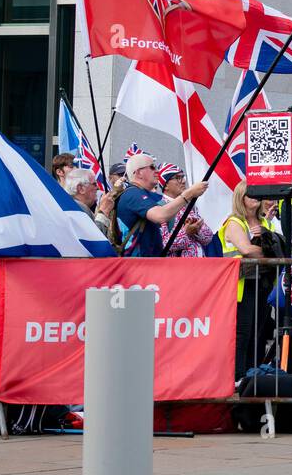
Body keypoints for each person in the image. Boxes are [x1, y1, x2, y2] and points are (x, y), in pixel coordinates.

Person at [220, 181, 279, 378]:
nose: (255, 196)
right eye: (250, 193)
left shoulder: (265, 223)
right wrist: (269, 251)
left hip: (262, 285)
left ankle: (253, 377)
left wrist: (267, 249)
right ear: (240, 197)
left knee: (258, 335)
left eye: (257, 193)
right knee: (242, 335)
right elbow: (247, 250)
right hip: (240, 287)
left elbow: (279, 247)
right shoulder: (234, 222)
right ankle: (237, 379)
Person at [115, 152, 208, 257]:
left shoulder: (147, 195)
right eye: (152, 167)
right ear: (138, 173)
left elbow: (208, 237)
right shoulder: (132, 194)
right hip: (139, 264)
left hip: (150, 264)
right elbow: (161, 216)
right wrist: (189, 193)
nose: (157, 171)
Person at [155, 164, 214, 256]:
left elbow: (208, 238)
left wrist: (197, 229)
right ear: (166, 185)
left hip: (199, 268)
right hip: (178, 269)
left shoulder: (189, 206)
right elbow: (161, 246)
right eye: (178, 178)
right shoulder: (160, 209)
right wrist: (186, 232)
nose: (183, 181)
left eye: (183, 177)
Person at [65, 167, 115, 237]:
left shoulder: (69, 204)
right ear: (81, 188)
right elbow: (94, 239)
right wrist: (104, 211)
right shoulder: (78, 208)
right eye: (94, 184)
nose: (97, 187)